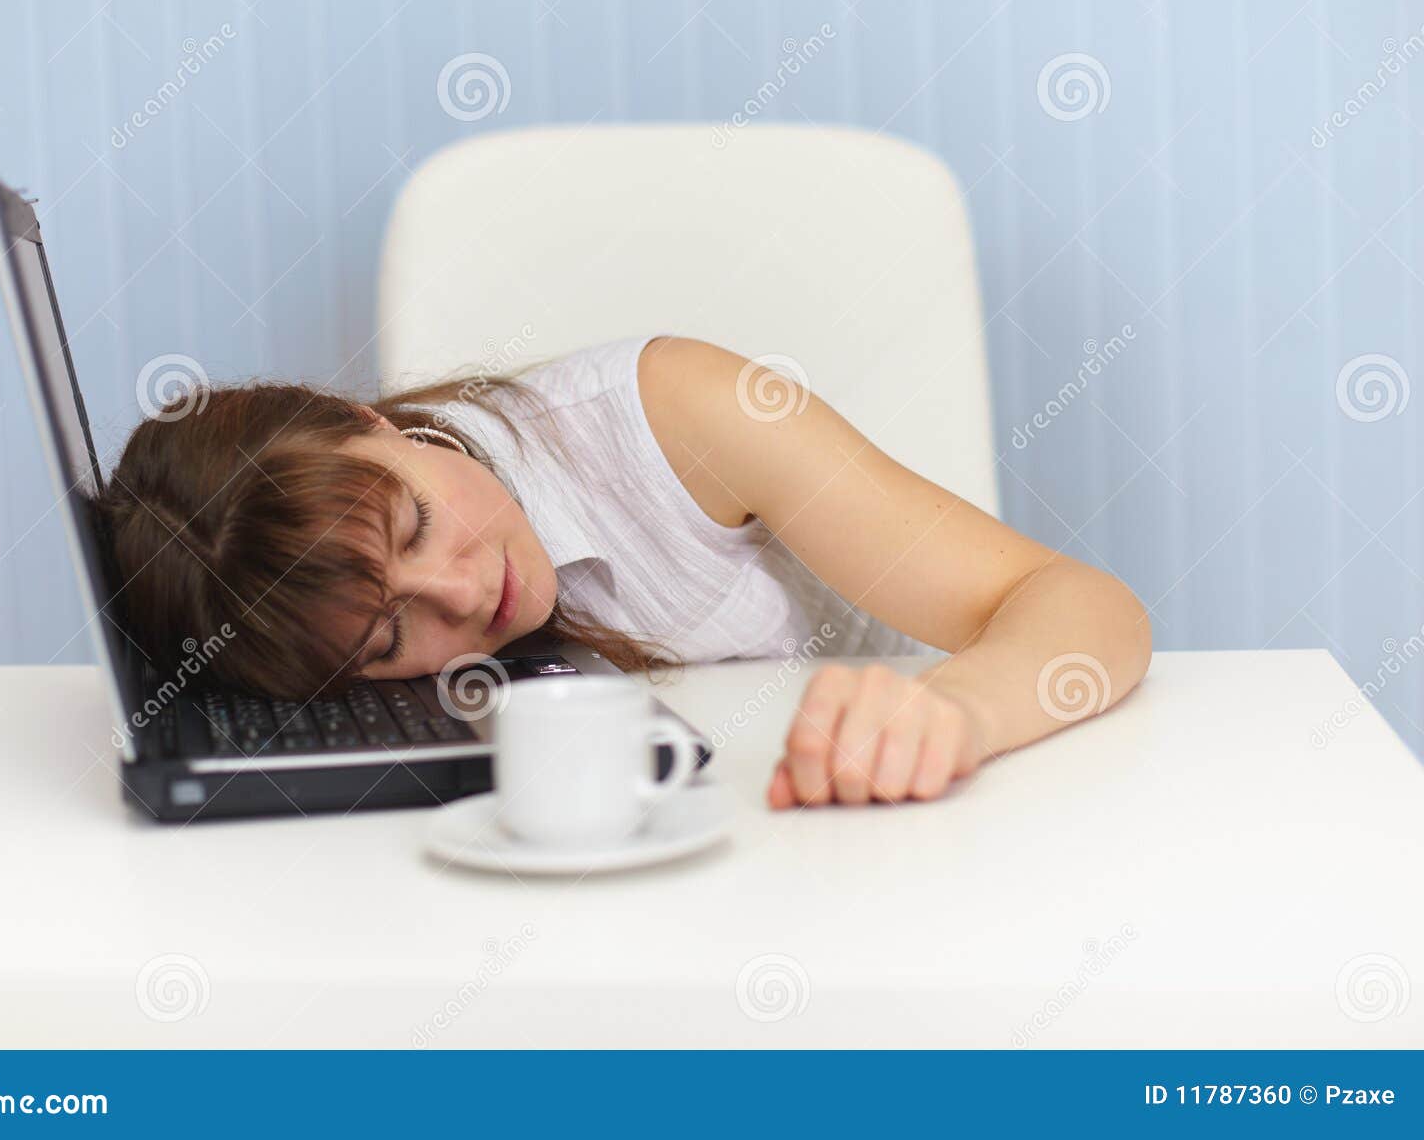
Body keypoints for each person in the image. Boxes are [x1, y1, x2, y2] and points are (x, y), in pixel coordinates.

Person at [98, 335, 1151, 808]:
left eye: (416, 524)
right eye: (387, 638)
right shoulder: (312, 626)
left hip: (891, 823)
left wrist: (953, 713)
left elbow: (1083, 607)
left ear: (369, 420)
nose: (465, 597)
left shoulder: (683, 412)